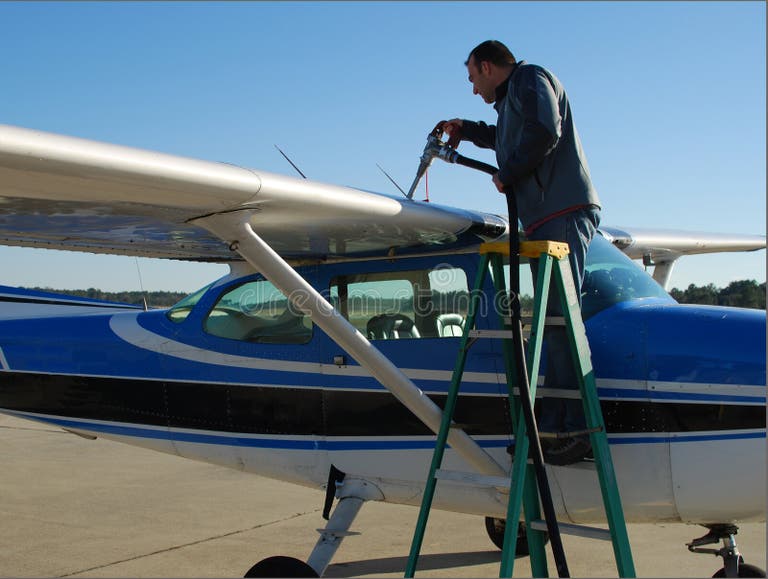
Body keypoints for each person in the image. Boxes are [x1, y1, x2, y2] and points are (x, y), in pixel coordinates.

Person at [437, 40, 601, 465]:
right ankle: (551, 422)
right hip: (546, 213)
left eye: (473, 78)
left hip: (561, 209)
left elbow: (545, 130)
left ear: (488, 67)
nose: (474, 88)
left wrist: (508, 173)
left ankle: (572, 427)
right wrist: (467, 130)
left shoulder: (531, 78)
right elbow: (509, 138)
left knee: (561, 316)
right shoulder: (512, 99)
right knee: (551, 318)